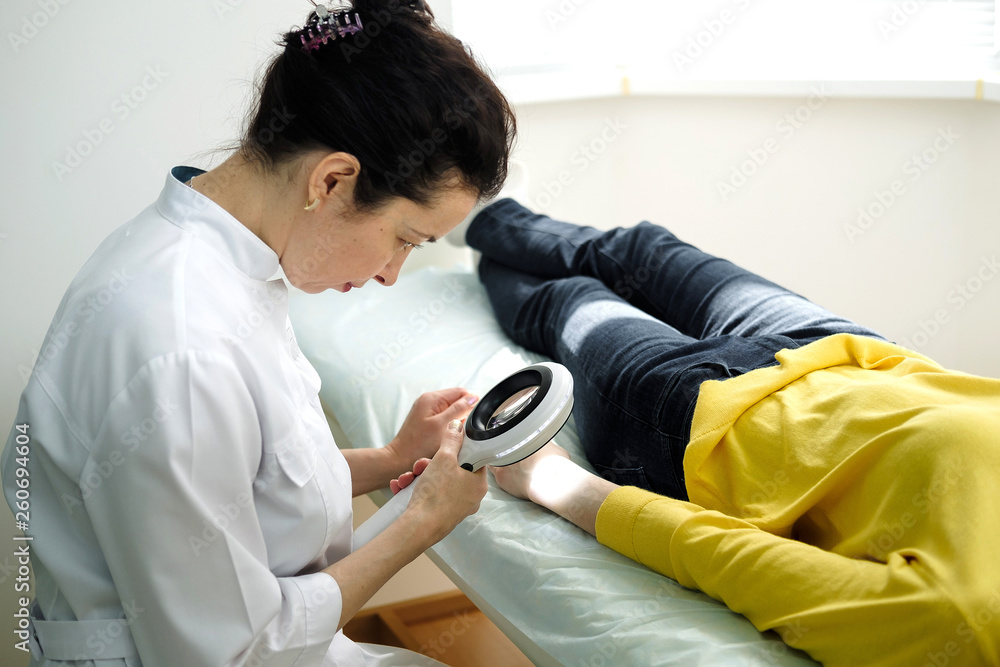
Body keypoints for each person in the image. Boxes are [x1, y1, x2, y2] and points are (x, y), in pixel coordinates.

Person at [1, 1, 516, 665]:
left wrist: (391, 457)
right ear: (332, 181)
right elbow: (235, 653)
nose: (392, 274)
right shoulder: (182, 349)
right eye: (405, 239)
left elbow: (252, 488)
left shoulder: (217, 257)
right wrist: (424, 520)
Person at [394, 199, 1000, 666]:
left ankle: (465, 242)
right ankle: (468, 213)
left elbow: (730, 558)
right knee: (640, 249)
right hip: (854, 352)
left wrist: (556, 483)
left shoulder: (966, 625)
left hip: (698, 420)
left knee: (565, 298)